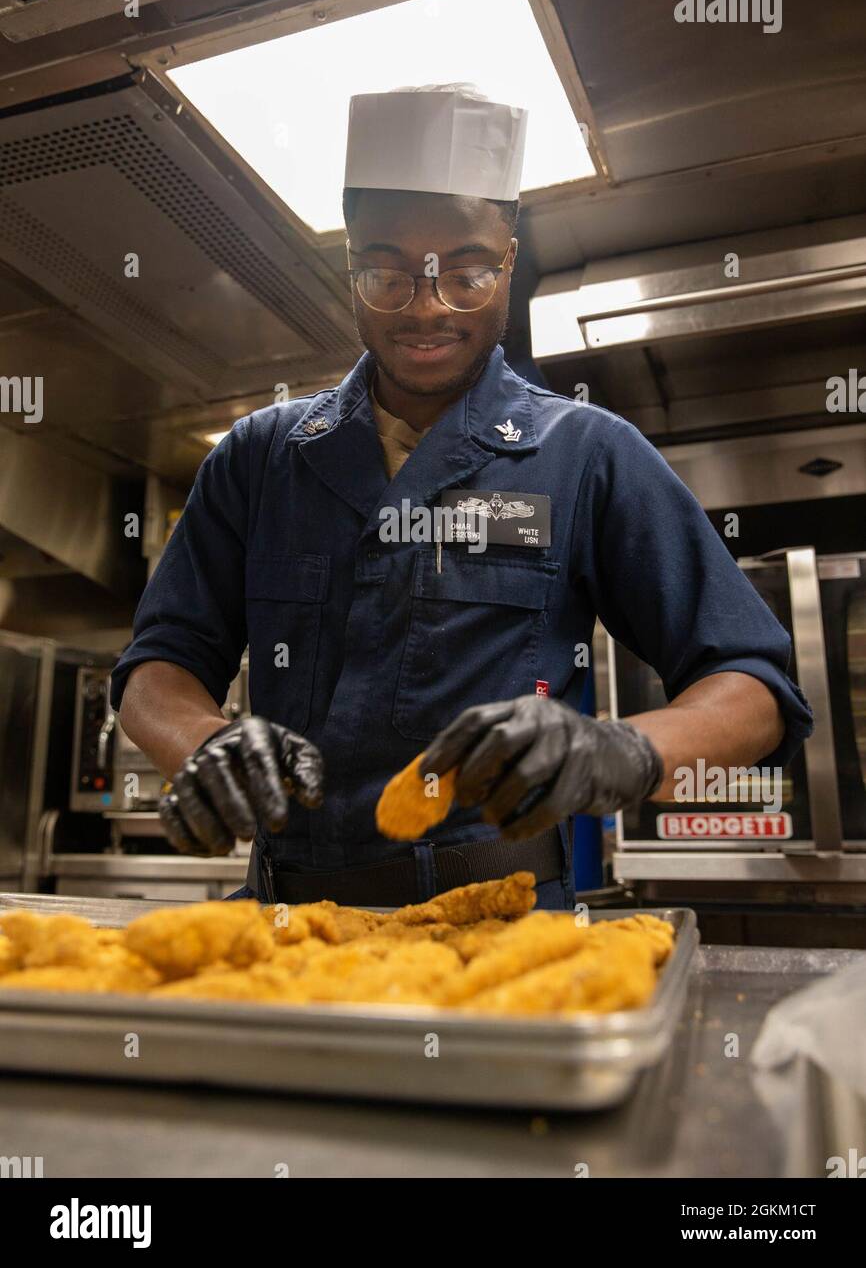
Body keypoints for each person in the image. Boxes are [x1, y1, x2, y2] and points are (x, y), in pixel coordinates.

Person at [111, 84, 813, 909]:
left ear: (508, 259)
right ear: (349, 262)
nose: (428, 308)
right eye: (387, 273)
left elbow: (755, 688)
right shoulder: (261, 459)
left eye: (468, 273)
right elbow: (156, 667)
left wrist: (615, 751)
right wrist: (202, 743)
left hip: (499, 934)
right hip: (283, 926)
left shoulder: (587, 453)